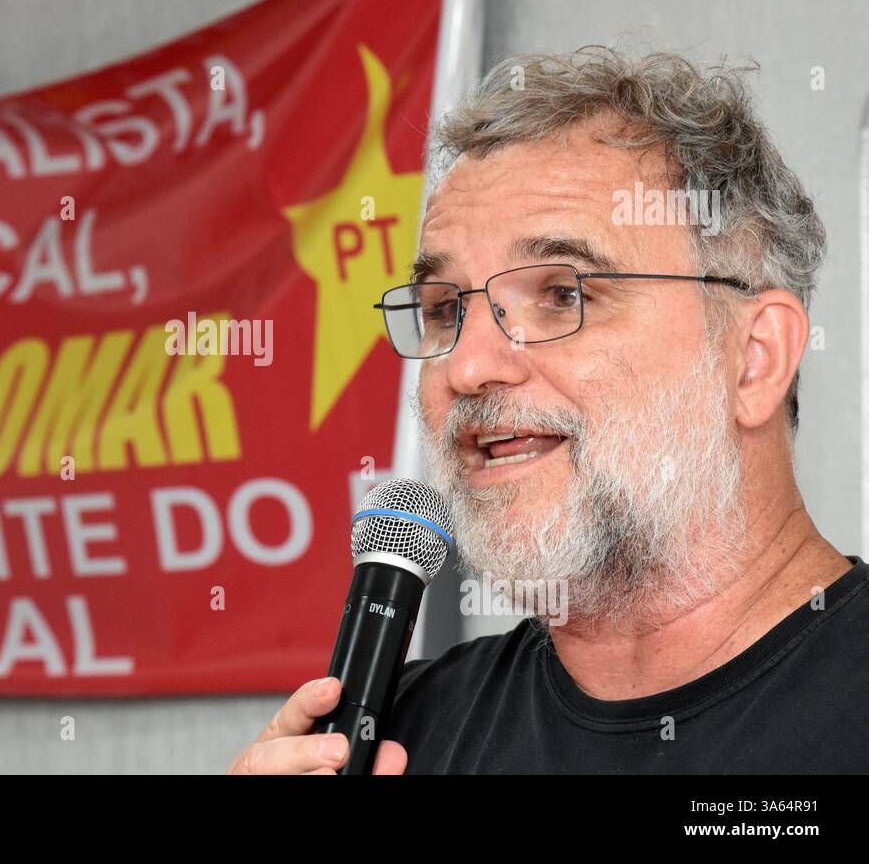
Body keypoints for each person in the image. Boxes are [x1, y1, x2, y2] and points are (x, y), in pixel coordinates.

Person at [228, 47, 867, 774]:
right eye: (443, 310)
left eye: (563, 295)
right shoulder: (393, 736)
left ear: (754, 357)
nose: (466, 368)